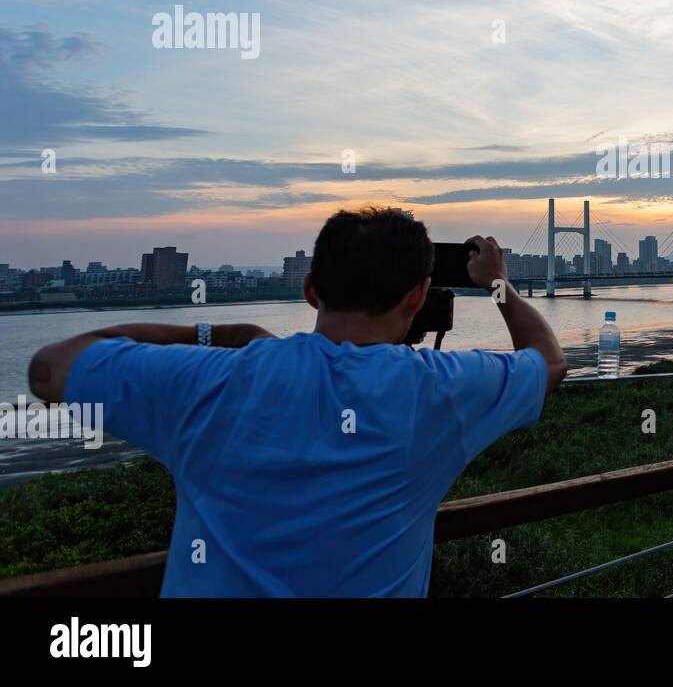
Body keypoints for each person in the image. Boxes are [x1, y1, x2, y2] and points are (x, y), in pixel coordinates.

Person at [28, 207, 567, 596]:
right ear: (417, 297)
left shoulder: (208, 380)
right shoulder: (437, 390)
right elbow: (548, 363)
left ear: (310, 290)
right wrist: (498, 284)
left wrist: (227, 334)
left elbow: (47, 367)